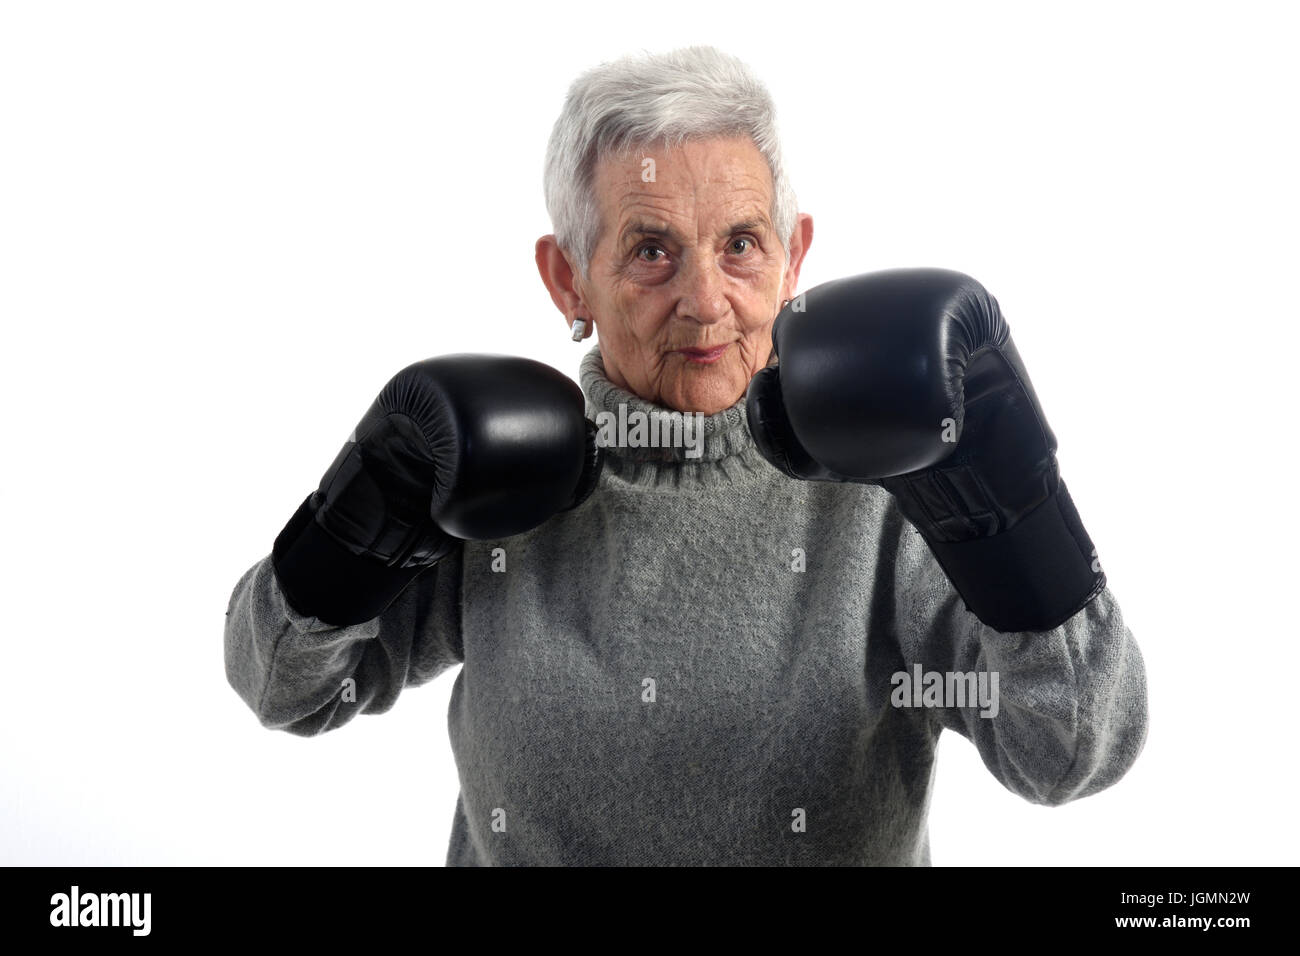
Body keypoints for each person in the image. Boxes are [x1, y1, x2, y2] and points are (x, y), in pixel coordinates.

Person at [224, 45, 1148, 866]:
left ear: (796, 259)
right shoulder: (499, 469)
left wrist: (1013, 507)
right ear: (567, 277)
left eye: (741, 244)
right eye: (652, 251)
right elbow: (282, 684)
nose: (706, 303)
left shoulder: (887, 478)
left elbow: (1072, 748)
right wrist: (367, 503)